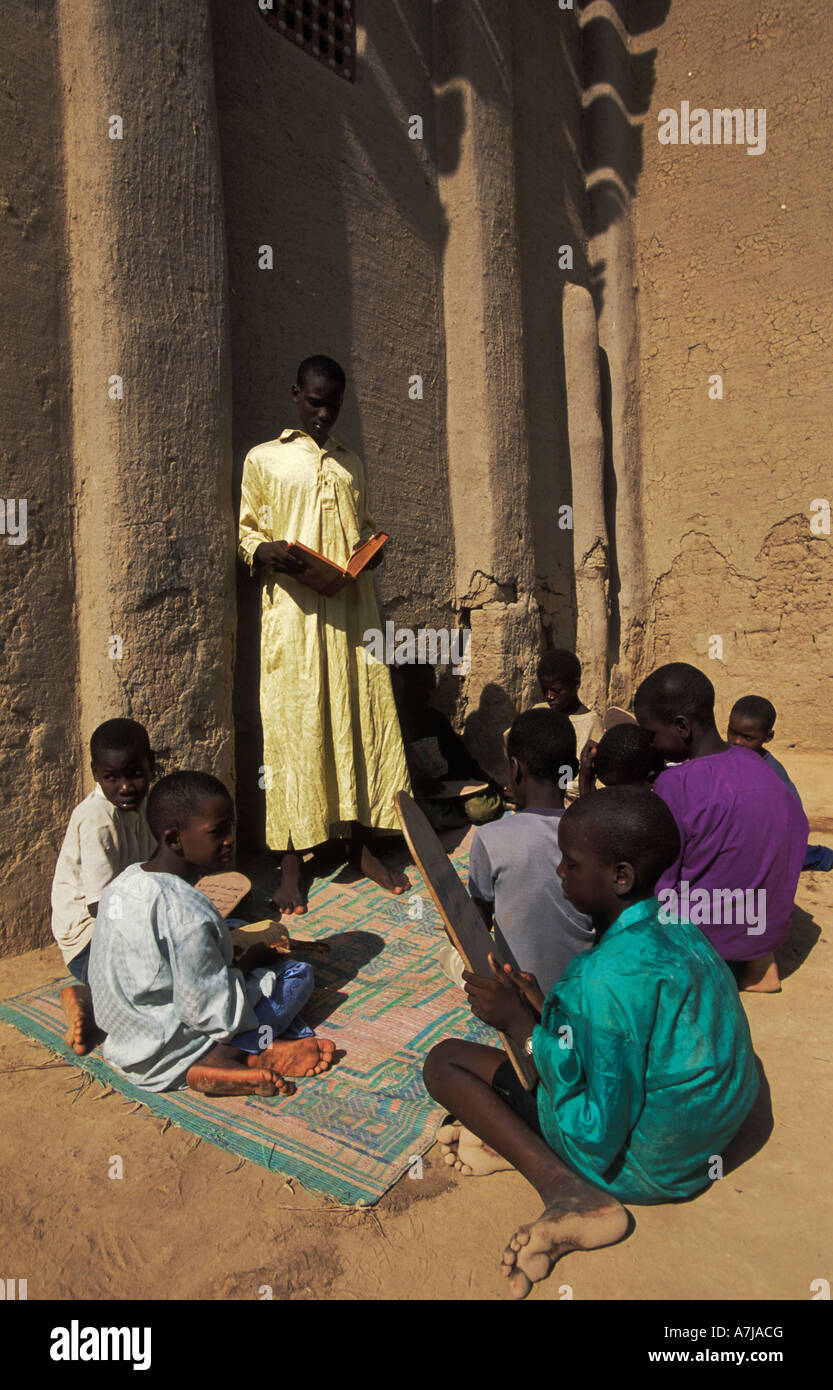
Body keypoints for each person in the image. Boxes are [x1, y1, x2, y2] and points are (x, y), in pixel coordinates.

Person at [423, 788, 759, 1300]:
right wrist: (543, 1006)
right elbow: (631, 1035)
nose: (559, 873)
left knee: (445, 1061)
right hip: (708, 1135)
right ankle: (503, 1142)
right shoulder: (676, 923)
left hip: (652, 1166)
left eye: (570, 864)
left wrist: (521, 1028)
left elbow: (596, 1131)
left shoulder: (601, 977)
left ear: (620, 876)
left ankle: (567, 1191)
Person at [238, 355, 411, 913]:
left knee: (359, 720)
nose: (323, 413)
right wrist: (263, 551)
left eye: (333, 405)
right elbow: (246, 530)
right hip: (294, 619)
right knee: (295, 727)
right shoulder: (264, 459)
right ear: (295, 395)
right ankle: (292, 861)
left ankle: (360, 845)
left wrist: (370, 551)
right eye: (314, 402)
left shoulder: (351, 464)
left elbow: (359, 529)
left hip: (353, 613)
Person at [88, 772, 336, 1096]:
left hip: (127, 1046)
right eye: (217, 832)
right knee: (295, 974)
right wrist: (249, 964)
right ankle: (228, 1057)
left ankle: (262, 1050)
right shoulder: (187, 913)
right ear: (175, 839)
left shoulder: (123, 884)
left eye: (229, 827)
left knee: (233, 931)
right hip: (171, 1056)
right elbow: (209, 1011)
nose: (229, 840)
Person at [634, 664, 808, 993]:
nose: (650, 744)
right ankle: (758, 965)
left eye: (651, 734)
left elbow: (661, 880)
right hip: (765, 932)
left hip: (706, 944)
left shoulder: (676, 782)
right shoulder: (763, 767)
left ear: (682, 727)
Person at [439, 709, 593, 995]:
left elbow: (475, 929)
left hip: (518, 997)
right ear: (569, 771)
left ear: (515, 767)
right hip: (582, 997)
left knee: (448, 956)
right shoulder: (594, 837)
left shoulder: (490, 838)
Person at [52, 719, 156, 1057]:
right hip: (90, 939)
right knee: (159, 984)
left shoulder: (142, 806)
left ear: (151, 765)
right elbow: (103, 908)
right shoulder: (98, 819)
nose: (125, 787)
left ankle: (97, 1001)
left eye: (134, 774)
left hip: (124, 920)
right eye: (112, 778)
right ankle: (90, 999)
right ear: (97, 774)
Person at [392, 662, 504, 832]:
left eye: (431, 687)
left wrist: (494, 785)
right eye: (420, 685)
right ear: (404, 687)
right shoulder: (395, 727)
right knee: (434, 817)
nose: (427, 693)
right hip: (422, 794)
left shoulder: (435, 720)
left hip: (451, 788)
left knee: (480, 810)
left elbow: (464, 759)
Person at [727, 695, 832, 873]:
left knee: (792, 854)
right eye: (733, 732)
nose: (737, 741)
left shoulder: (771, 773)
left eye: (747, 737)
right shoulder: (725, 756)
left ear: (768, 737)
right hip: (742, 834)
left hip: (772, 837)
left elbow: (791, 820)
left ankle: (825, 858)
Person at [505, 649, 603, 804]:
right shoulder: (538, 711)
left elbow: (585, 780)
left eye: (556, 690)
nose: (549, 696)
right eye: (544, 689)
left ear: (576, 685)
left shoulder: (591, 723)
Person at [578, 721, 665, 796]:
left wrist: (585, 784)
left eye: (621, 793)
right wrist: (585, 779)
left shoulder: (665, 806)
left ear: (652, 779)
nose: (615, 798)